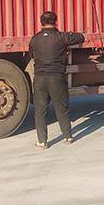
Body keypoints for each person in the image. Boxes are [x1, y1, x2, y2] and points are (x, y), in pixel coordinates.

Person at [29, 11, 85, 149]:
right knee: (61, 107)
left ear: (41, 23)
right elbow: (80, 37)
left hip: (40, 78)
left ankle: (42, 141)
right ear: (55, 22)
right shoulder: (61, 37)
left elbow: (31, 54)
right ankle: (68, 136)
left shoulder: (35, 39)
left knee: (40, 110)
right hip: (56, 77)